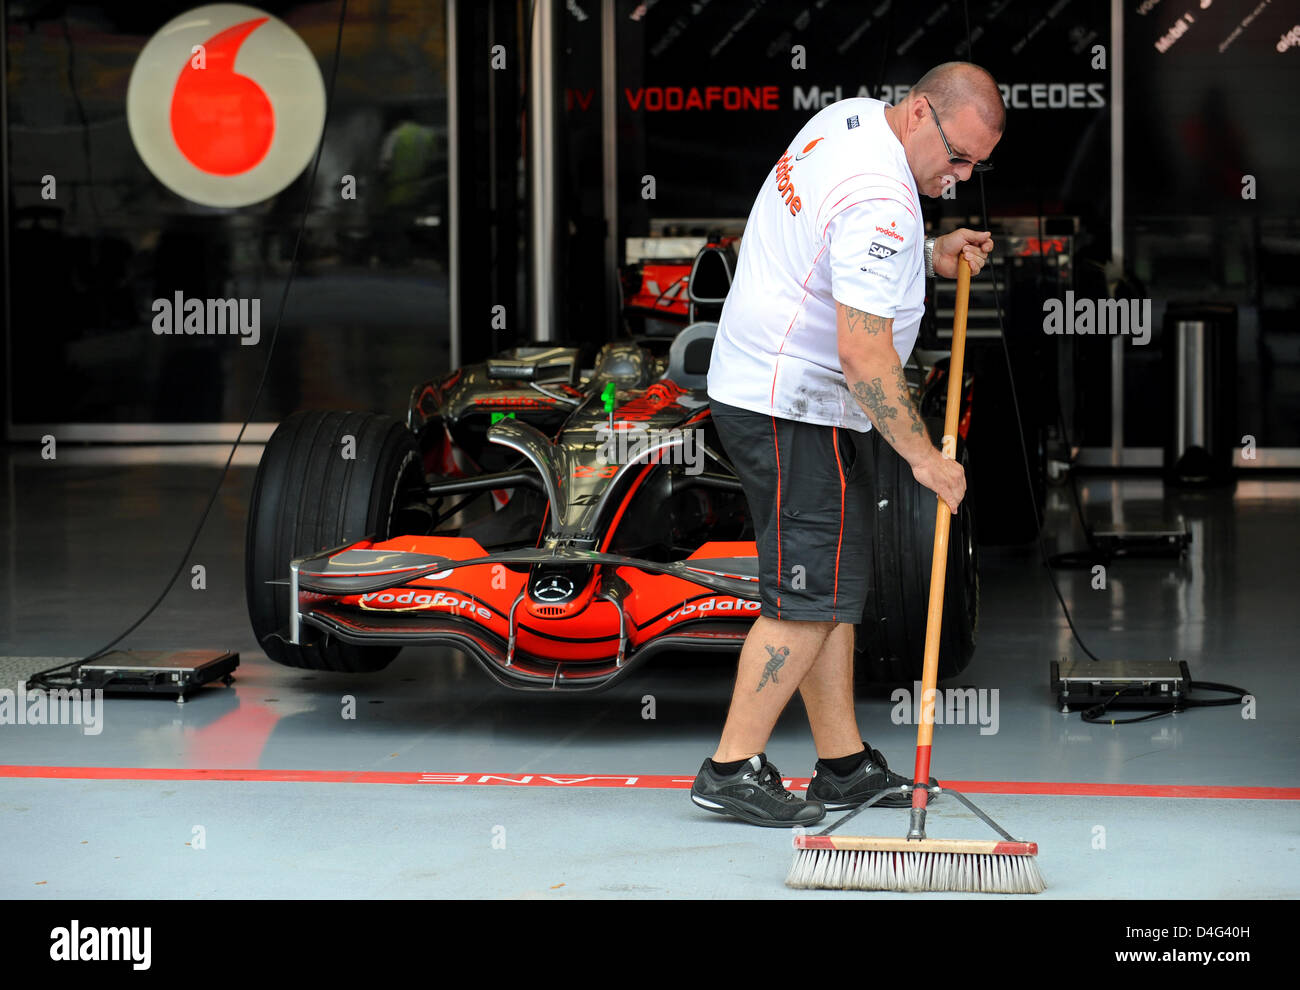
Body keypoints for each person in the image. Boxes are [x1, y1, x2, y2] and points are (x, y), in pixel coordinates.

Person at [692, 62, 1004, 827]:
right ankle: (729, 768)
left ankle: (842, 766)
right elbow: (866, 356)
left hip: (770, 391)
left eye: (975, 167)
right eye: (957, 156)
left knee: (830, 587)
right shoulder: (884, 204)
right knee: (807, 598)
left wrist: (928, 257)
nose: (960, 178)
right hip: (796, 405)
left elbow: (838, 245)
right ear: (923, 112)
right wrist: (926, 459)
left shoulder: (855, 120)